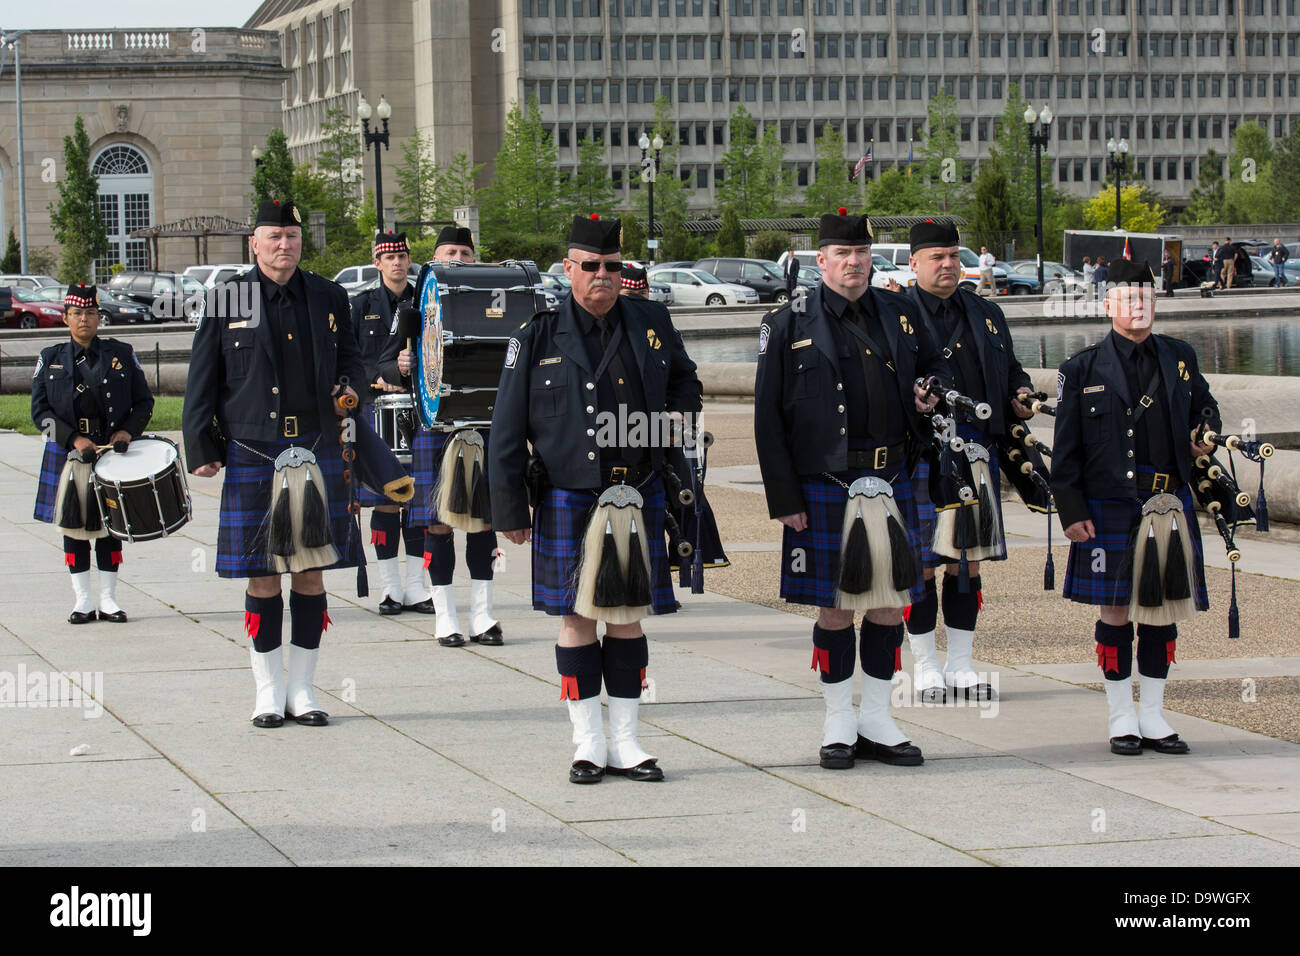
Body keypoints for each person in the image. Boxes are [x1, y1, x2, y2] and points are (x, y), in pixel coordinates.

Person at [489, 215, 703, 784]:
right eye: (591, 266)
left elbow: (687, 379)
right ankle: (586, 743)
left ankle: (628, 741)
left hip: (638, 492)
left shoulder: (652, 321)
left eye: (612, 267)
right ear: (569, 270)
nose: (603, 276)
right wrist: (508, 507)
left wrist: (673, 418)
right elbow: (506, 428)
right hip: (569, 495)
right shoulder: (535, 334)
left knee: (629, 618)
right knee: (577, 619)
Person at [754, 210, 947, 770]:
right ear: (822, 261)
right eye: (843, 253)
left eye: (862, 252)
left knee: (889, 604)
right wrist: (784, 497)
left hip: (895, 478)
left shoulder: (900, 311)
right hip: (825, 483)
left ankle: (878, 719)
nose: (855, 262)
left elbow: (938, 368)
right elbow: (768, 416)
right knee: (834, 608)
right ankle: (838, 721)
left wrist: (932, 389)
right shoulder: (788, 320)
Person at [183, 199, 363, 728]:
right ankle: (267, 691)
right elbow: (202, 377)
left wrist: (349, 387)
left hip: (316, 446)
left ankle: (302, 691)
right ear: (254, 243)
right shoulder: (227, 297)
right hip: (253, 451)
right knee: (262, 577)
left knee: (309, 574)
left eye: (291, 235)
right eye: (273, 236)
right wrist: (202, 446)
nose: (284, 244)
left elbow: (351, 356)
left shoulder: (329, 295)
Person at [1052, 258, 1219, 756]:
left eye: (1145, 297)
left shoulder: (1180, 357)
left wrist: (1203, 433)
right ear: (1108, 305)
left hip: (1168, 500)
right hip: (1108, 504)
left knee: (1162, 608)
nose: (1138, 306)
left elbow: (1204, 407)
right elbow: (1066, 451)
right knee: (1116, 609)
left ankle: (1154, 714)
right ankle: (1121, 713)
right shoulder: (1080, 368)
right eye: (1127, 298)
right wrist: (1070, 509)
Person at [904, 220, 1035, 702]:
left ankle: (960, 664)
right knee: (922, 563)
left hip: (977, 452)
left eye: (954, 257)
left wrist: (1019, 393)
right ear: (914, 262)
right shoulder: (896, 313)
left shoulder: (987, 313)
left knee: (967, 561)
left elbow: (1010, 369)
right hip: (922, 450)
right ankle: (924, 664)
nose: (948, 265)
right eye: (937, 257)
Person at [381, 225, 503, 646]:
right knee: (437, 525)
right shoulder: (417, 301)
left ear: (475, 257)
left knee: (484, 523)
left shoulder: (493, 297)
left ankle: (484, 617)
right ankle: (445, 616)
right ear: (433, 258)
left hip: (483, 424)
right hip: (434, 425)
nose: (457, 258)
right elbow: (382, 361)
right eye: (449, 251)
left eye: (465, 253)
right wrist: (399, 363)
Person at [32, 284, 154, 624]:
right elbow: (39, 413)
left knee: (112, 527)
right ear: (66, 318)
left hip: (111, 452)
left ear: (99, 317)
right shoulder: (50, 357)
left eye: (90, 313)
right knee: (75, 529)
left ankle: (109, 598)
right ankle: (83, 600)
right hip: (69, 455)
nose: (84, 319)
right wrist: (72, 439)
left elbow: (144, 402)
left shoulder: (122, 353)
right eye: (77, 313)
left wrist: (128, 431)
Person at [351, 230, 424, 615]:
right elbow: (347, 358)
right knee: (386, 500)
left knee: (417, 501)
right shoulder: (362, 305)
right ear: (377, 263)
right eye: (388, 258)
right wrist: (376, 375)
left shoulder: (425, 299)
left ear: (409, 260)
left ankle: (416, 586)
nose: (397, 263)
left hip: (418, 410)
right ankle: (389, 587)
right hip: (376, 408)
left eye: (402, 256)